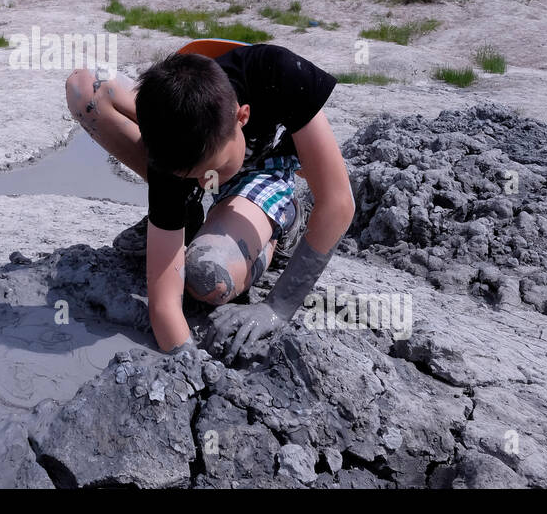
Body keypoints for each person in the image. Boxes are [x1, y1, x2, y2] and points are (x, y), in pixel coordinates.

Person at [64, 44, 354, 362]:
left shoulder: (279, 73)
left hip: (261, 169)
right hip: (189, 148)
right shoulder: (172, 154)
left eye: (208, 173)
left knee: (209, 279)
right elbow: (164, 304)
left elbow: (338, 202)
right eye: (193, 178)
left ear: (242, 116)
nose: (204, 184)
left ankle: (281, 219)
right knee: (83, 88)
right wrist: (187, 363)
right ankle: (188, 217)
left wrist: (276, 308)